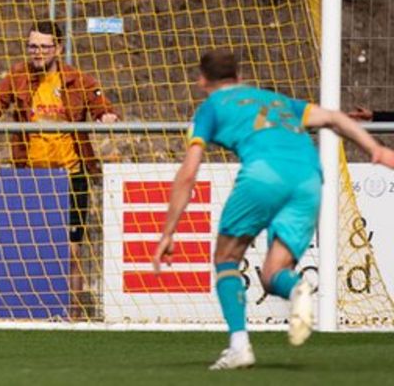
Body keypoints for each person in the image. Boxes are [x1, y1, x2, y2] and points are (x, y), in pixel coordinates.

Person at [152, 49, 394, 371]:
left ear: (201, 80)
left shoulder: (209, 109)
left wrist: (168, 232)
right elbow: (334, 118)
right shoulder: (276, 101)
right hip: (309, 178)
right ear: (239, 78)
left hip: (264, 175)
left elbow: (189, 171)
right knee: (272, 274)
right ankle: (297, 288)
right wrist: (376, 149)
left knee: (226, 259)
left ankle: (239, 346)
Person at [0, 20, 118, 319]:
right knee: (27, 242)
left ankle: (74, 316)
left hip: (70, 174)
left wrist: (106, 115)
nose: (37, 52)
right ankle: (27, 309)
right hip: (30, 175)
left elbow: (101, 103)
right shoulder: (19, 76)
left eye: (44, 46)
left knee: (71, 247)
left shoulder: (77, 79)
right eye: (32, 46)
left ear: (59, 48)